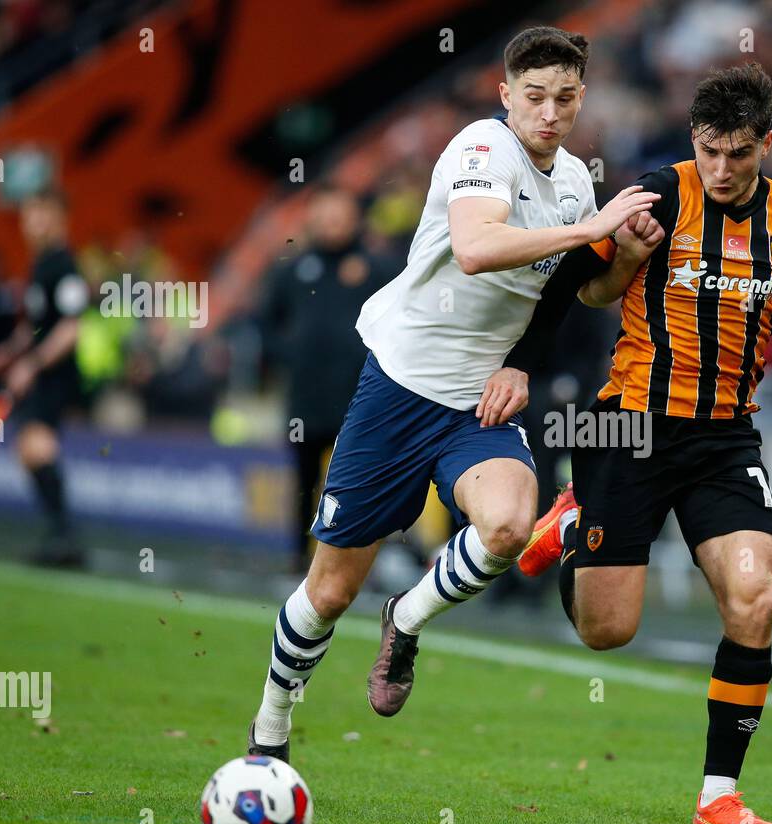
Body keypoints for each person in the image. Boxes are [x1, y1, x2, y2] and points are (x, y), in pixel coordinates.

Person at [246, 26, 661, 761]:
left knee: (506, 527)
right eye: (534, 96)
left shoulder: (572, 182)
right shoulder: (480, 148)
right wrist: (590, 229)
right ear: (506, 95)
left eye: (565, 98)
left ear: (580, 100)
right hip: (399, 390)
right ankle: (271, 727)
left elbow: (582, 292)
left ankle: (405, 619)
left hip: (479, 402)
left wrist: (622, 254)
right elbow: (475, 248)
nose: (549, 112)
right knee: (329, 593)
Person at [513, 63, 772, 824]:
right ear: (691, 140)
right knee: (609, 631)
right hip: (629, 426)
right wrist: (521, 363)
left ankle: (718, 796)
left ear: (767, 142)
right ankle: (570, 524)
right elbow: (578, 287)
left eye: (738, 152)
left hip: (725, 441)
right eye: (709, 151)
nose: (722, 169)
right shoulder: (656, 195)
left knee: (756, 598)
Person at [253, 186, 400, 568]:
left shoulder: (381, 268)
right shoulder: (292, 270)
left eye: (340, 213)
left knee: (361, 479)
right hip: (307, 396)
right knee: (303, 476)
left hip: (362, 396)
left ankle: (356, 557)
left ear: (355, 218)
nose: (333, 221)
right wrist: (290, 356)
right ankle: (298, 555)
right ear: (313, 217)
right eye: (326, 213)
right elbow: (265, 323)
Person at [0, 190, 89, 567]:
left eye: (37, 215)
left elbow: (70, 329)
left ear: (57, 217)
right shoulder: (41, 265)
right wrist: (8, 354)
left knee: (36, 444)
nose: (29, 224)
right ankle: (61, 535)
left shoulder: (65, 265)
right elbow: (36, 326)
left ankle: (65, 536)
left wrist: (33, 364)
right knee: (28, 448)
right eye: (27, 216)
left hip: (57, 374)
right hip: (42, 371)